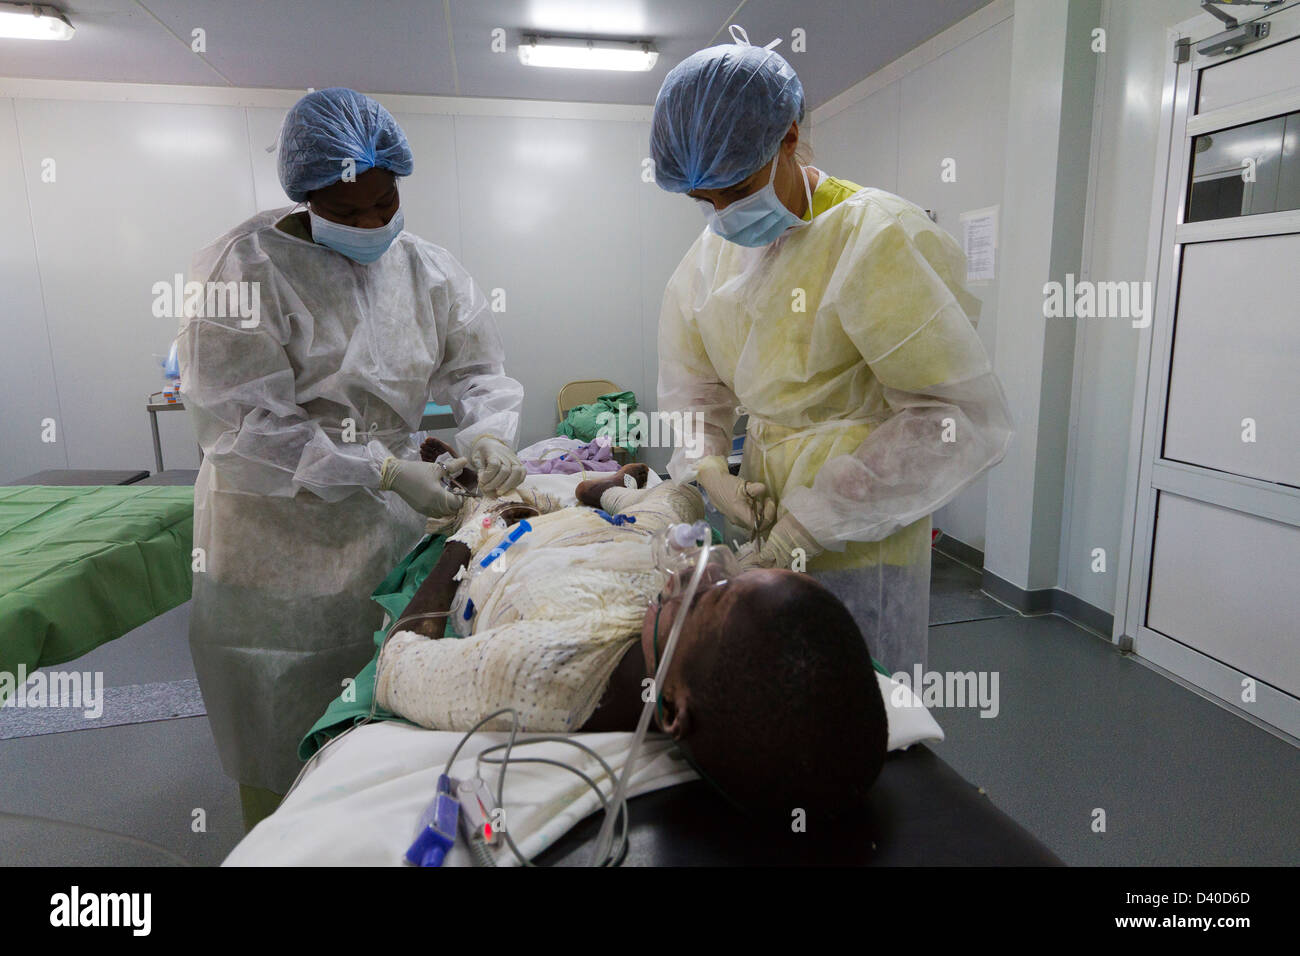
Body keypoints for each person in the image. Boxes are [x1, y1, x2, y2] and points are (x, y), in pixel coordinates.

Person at [178, 88, 525, 824]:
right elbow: (250, 433)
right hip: (273, 544)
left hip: (386, 534)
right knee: (282, 733)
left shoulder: (425, 269)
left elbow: (478, 371)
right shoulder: (242, 272)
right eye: (347, 211)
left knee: (384, 711)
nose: (371, 223)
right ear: (304, 196)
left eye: (383, 203)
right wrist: (386, 471)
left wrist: (487, 433)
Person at [649, 28, 1014, 673]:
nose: (723, 214)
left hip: (864, 535)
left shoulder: (877, 237)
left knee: (862, 705)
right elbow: (694, 387)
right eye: (703, 201)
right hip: (761, 517)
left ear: (789, 136)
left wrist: (806, 528)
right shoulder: (708, 259)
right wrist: (709, 468)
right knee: (770, 700)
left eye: (736, 189)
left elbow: (952, 418)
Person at [374, 446, 888, 819]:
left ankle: (472, 492)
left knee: (485, 497)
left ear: (673, 710)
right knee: (681, 499)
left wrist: (462, 541)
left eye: (709, 596)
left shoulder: (541, 670)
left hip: (509, 540)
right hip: (628, 534)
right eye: (737, 574)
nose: (700, 567)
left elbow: (398, 660)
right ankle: (599, 488)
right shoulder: (681, 607)